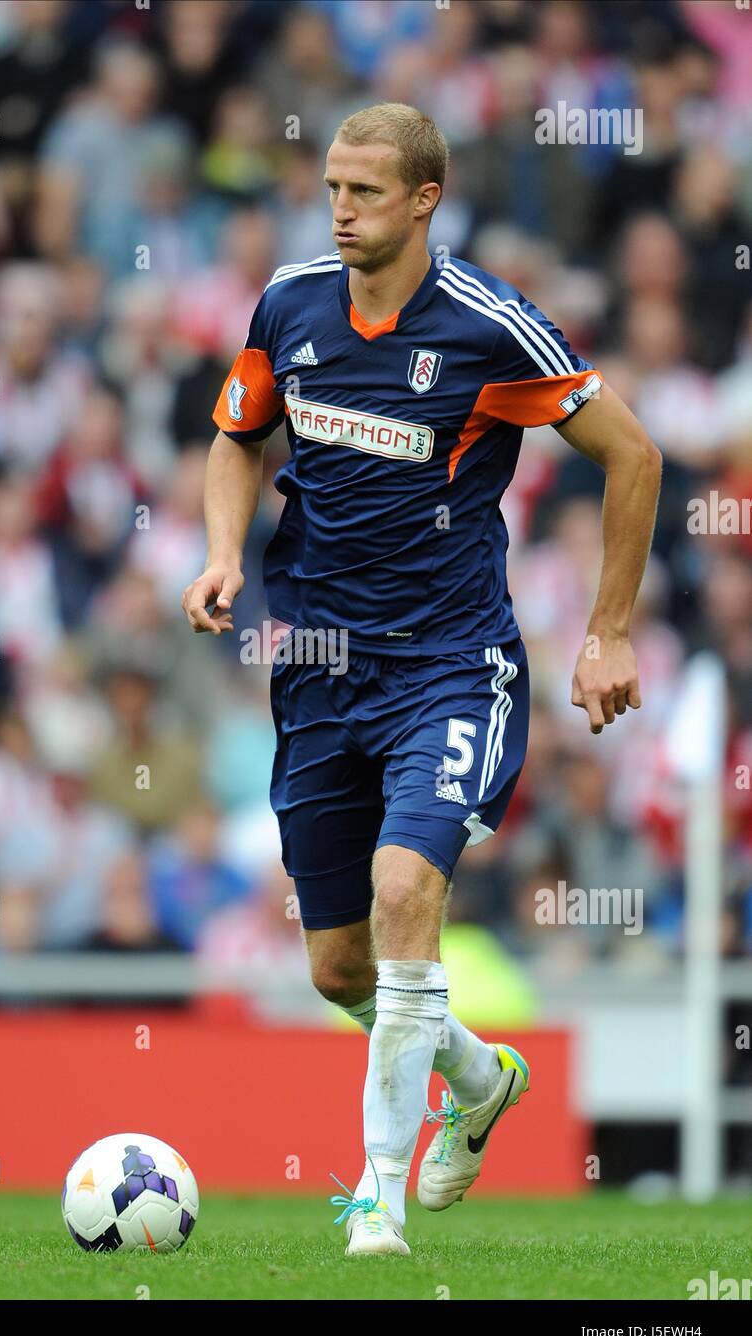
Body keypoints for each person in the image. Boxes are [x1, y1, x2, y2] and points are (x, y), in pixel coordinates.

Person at [182, 103, 662, 1256]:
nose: (338, 206)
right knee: (339, 962)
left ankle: (377, 1205)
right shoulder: (290, 303)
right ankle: (482, 1078)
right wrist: (220, 552)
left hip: (454, 666)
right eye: (332, 186)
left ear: (424, 200)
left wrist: (607, 630)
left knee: (409, 891)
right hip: (320, 670)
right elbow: (240, 433)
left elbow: (633, 453)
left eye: (362, 191)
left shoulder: (491, 326)